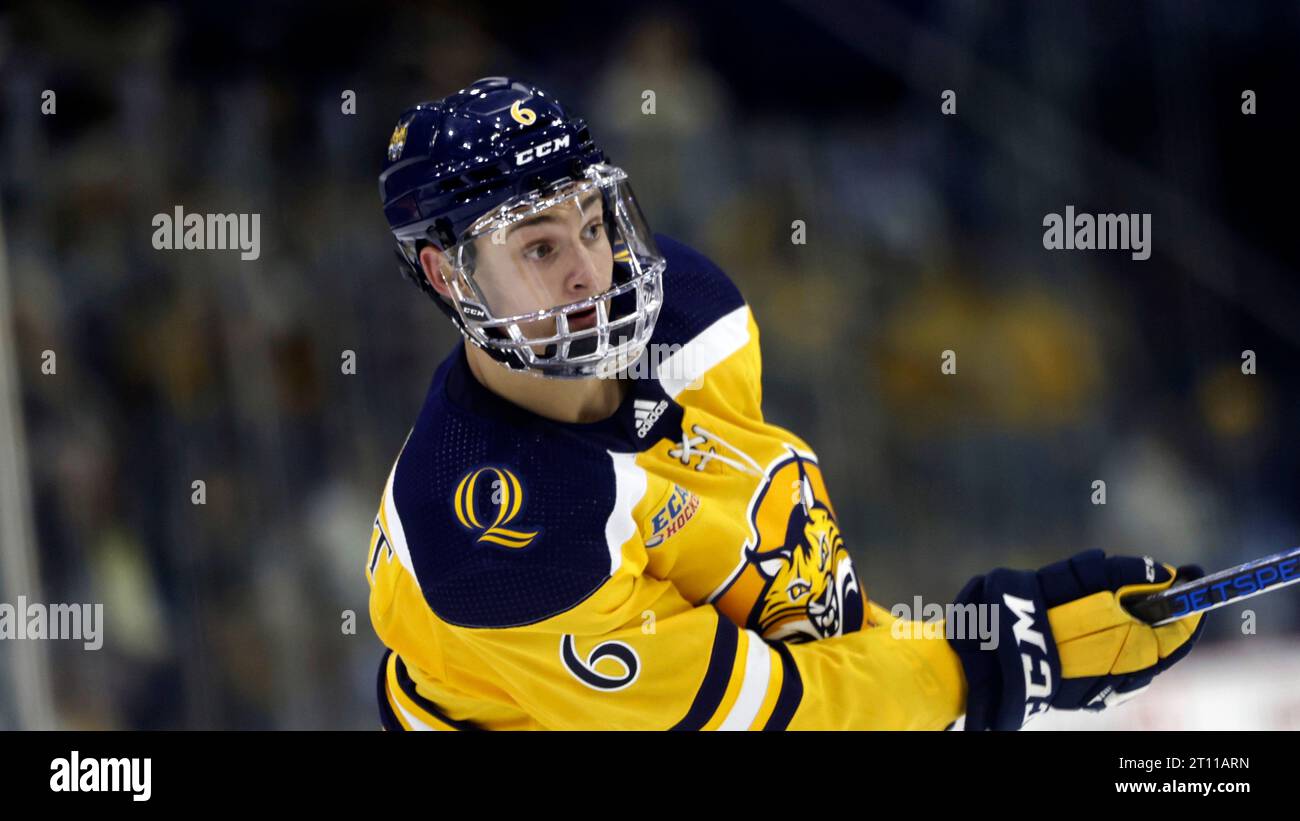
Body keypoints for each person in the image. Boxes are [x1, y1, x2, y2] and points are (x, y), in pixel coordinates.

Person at [366, 77, 1205, 730]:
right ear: (448, 274)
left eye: (593, 224)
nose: (592, 272)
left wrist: (991, 639)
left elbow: (796, 613)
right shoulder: (490, 537)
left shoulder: (691, 312)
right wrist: (986, 663)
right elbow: (779, 714)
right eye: (541, 245)